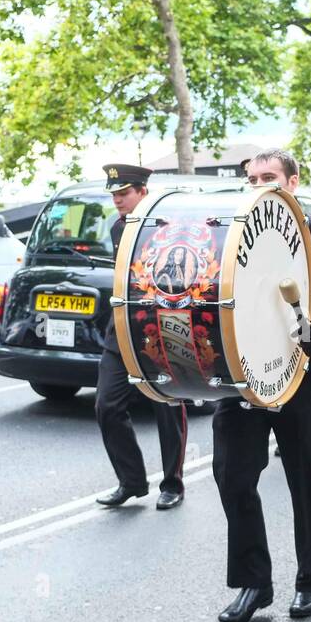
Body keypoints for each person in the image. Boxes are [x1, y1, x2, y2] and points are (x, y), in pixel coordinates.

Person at [215, 149, 311, 622]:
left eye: (269, 177)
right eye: (252, 177)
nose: (258, 183)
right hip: (245, 376)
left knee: (304, 478)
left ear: (292, 182)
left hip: (302, 374)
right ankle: (254, 583)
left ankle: (310, 579)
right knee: (232, 475)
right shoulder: (232, 236)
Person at [93, 164, 186, 511]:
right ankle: (131, 481)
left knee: (167, 405)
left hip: (160, 328)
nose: (117, 200)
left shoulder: (168, 227)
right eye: (114, 195)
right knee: (107, 405)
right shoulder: (119, 228)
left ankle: (172, 483)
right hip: (121, 330)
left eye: (123, 193)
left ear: (142, 192)